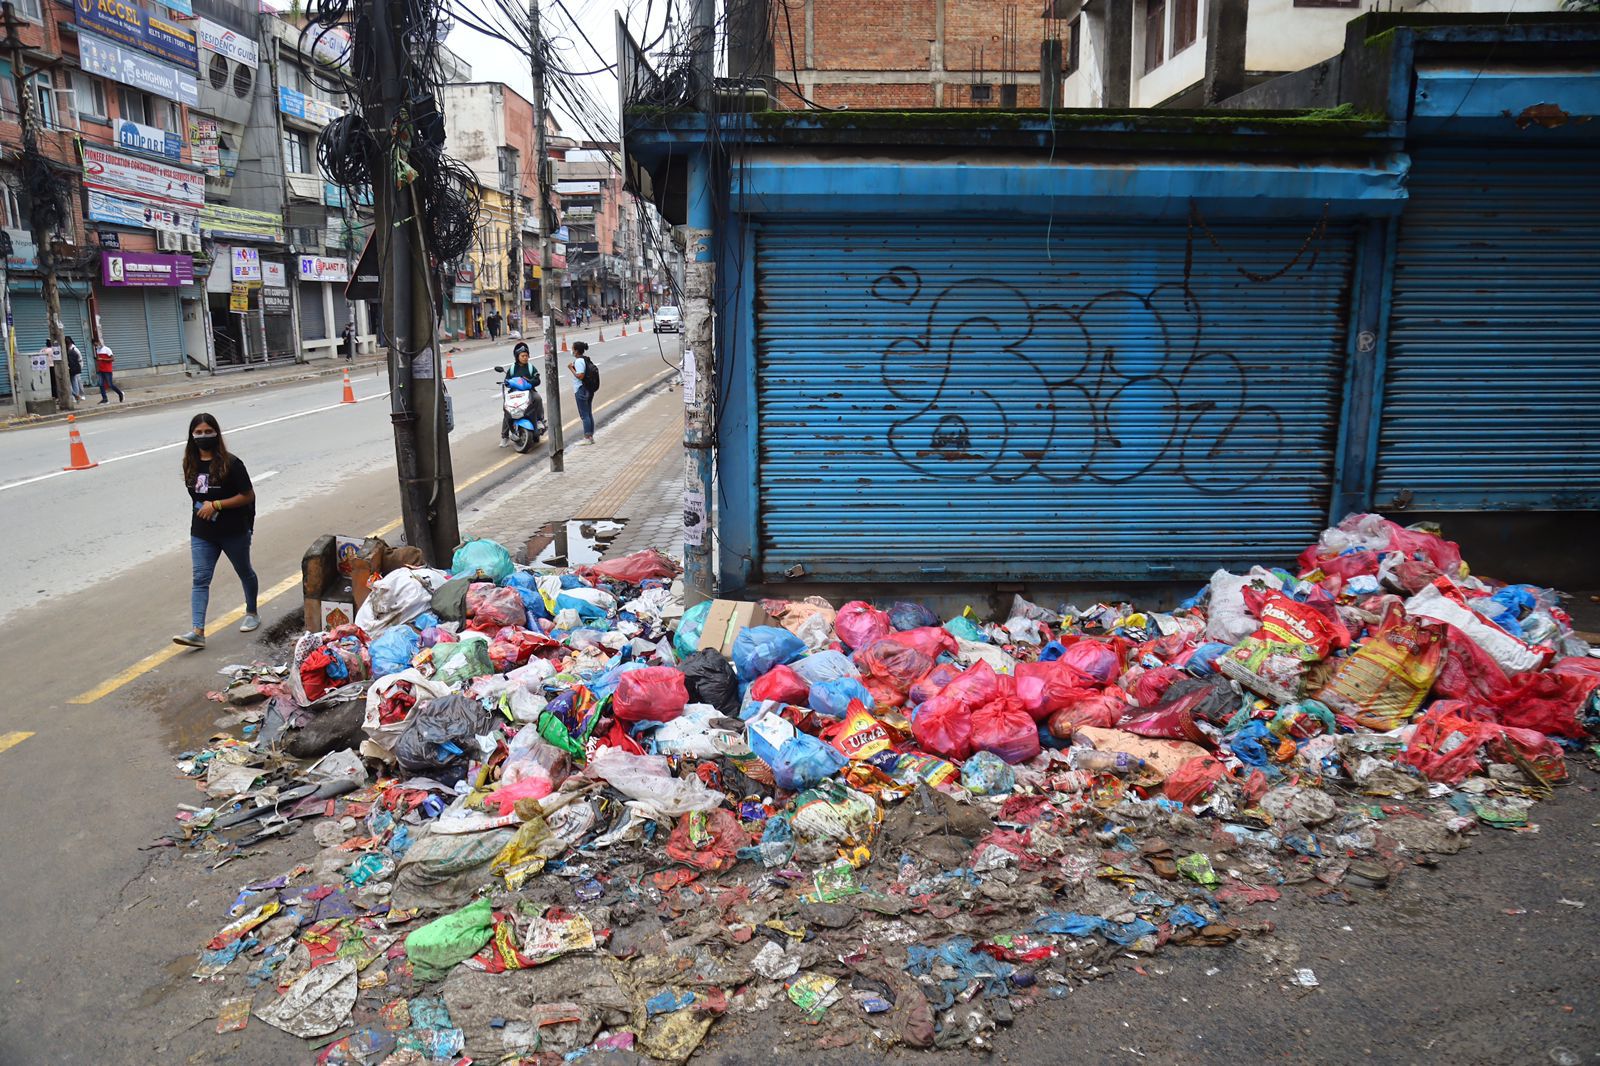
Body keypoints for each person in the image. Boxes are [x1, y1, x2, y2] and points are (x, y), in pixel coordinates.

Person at [174, 413, 259, 648]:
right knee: (200, 579)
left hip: (233, 530)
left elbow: (248, 495)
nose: (203, 436)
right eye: (198, 432)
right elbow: (195, 496)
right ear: (192, 436)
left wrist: (217, 505)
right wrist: (204, 507)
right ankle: (197, 631)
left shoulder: (232, 464)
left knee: (244, 571)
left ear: (216, 433)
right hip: (202, 532)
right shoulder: (190, 463)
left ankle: (252, 612)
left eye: (208, 431)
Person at [499, 340, 540, 447]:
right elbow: (507, 380)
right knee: (507, 410)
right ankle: (504, 436)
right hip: (514, 393)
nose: (525, 358)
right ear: (517, 357)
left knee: (537, 398)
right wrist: (507, 382)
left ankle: (539, 421)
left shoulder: (531, 368)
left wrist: (531, 382)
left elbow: (537, 379)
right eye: (523, 356)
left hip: (528, 392)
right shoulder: (512, 369)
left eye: (526, 356)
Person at [568, 340, 597, 445]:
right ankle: (590, 436)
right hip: (588, 389)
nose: (571, 351)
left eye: (572, 349)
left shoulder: (579, 361)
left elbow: (580, 376)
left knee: (584, 415)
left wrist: (571, 368)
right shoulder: (585, 359)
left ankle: (587, 437)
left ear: (576, 351)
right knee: (588, 413)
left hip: (581, 389)